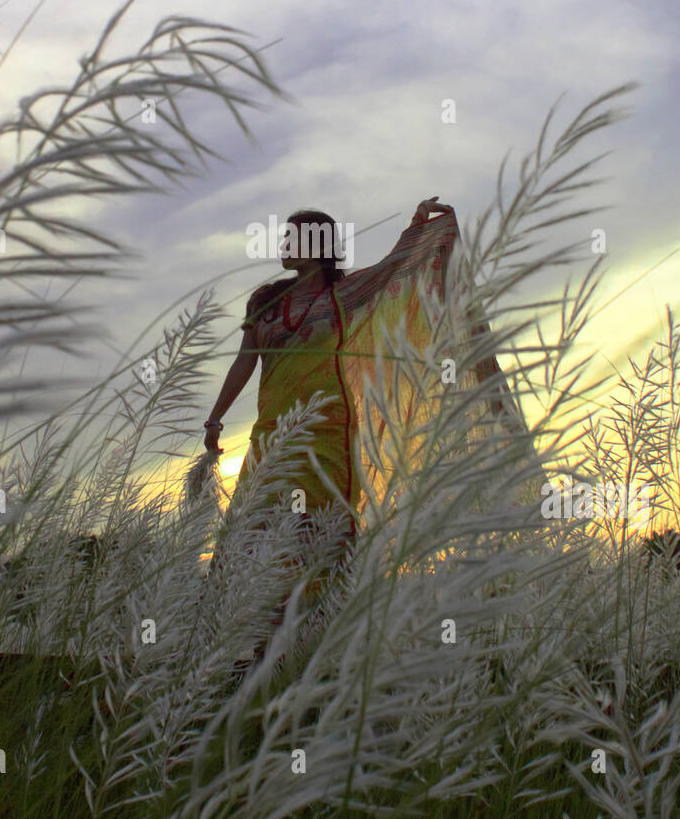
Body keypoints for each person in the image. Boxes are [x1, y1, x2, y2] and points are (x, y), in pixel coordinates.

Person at [202, 199, 521, 630]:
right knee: (250, 526)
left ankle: (312, 635)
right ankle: (238, 635)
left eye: (294, 237)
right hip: (270, 433)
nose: (284, 244)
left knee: (318, 532)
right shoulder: (266, 300)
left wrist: (416, 225)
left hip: (326, 433)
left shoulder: (344, 294)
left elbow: (399, 267)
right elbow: (246, 358)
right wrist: (216, 417)